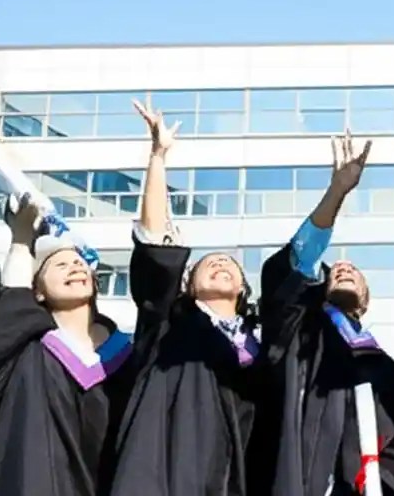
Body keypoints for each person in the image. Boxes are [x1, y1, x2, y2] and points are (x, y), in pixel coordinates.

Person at [108, 100, 262, 496]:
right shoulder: (169, 322)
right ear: (188, 285)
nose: (220, 264)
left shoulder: (260, 345)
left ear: (243, 289)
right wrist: (158, 158)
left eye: (229, 263)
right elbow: (156, 246)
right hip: (169, 471)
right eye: (208, 263)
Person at [255, 132, 394, 496]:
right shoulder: (297, 331)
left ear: (365, 299)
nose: (343, 269)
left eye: (354, 272)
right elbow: (298, 262)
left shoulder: (386, 368)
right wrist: (337, 192)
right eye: (333, 271)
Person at [0, 196, 135, 496]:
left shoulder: (126, 356)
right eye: (59, 265)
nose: (73, 267)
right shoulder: (25, 353)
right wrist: (20, 240)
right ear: (38, 292)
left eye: (78, 262)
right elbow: (10, 308)